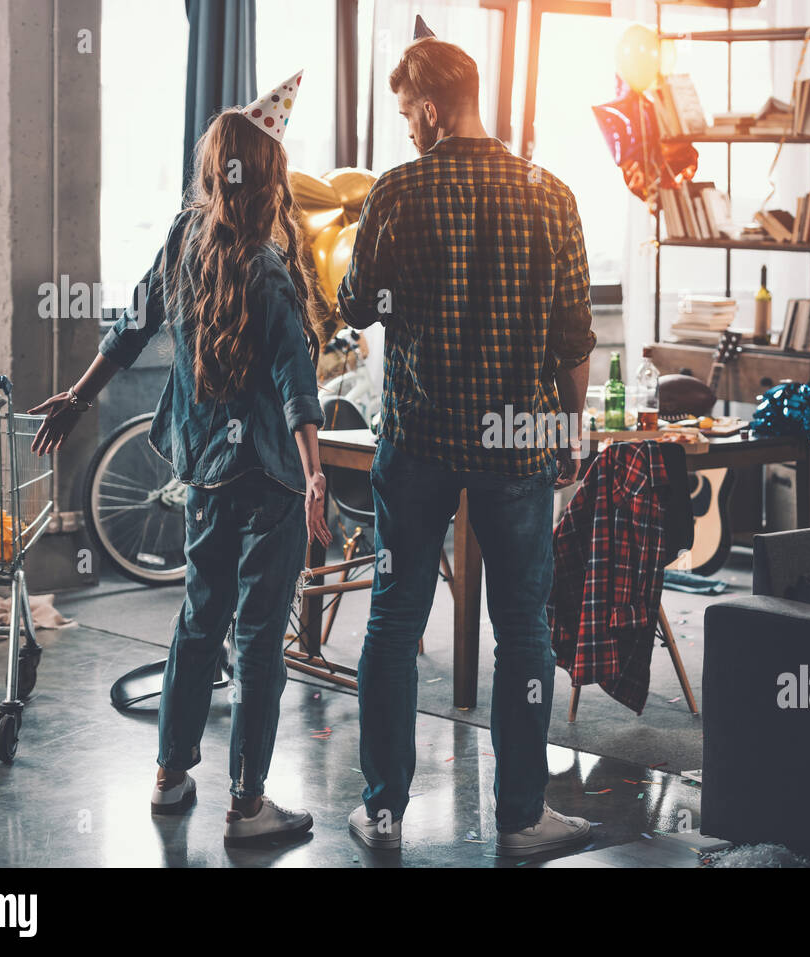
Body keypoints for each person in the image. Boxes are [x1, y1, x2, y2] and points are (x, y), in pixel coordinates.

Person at [30, 72, 334, 846]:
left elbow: (128, 329)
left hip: (203, 468)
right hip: (268, 473)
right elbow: (299, 387)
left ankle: (169, 777)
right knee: (260, 637)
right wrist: (316, 476)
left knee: (200, 619)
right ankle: (249, 803)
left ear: (215, 167)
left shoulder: (182, 238)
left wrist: (77, 394)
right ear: (271, 174)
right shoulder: (269, 267)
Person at [337, 38, 596, 857]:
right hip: (519, 445)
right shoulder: (551, 195)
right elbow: (574, 340)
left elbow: (354, 308)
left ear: (427, 106)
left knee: (393, 618)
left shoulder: (398, 192)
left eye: (406, 113)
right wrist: (566, 430)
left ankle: (382, 813)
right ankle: (521, 818)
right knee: (523, 629)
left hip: (417, 441)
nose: (407, 130)